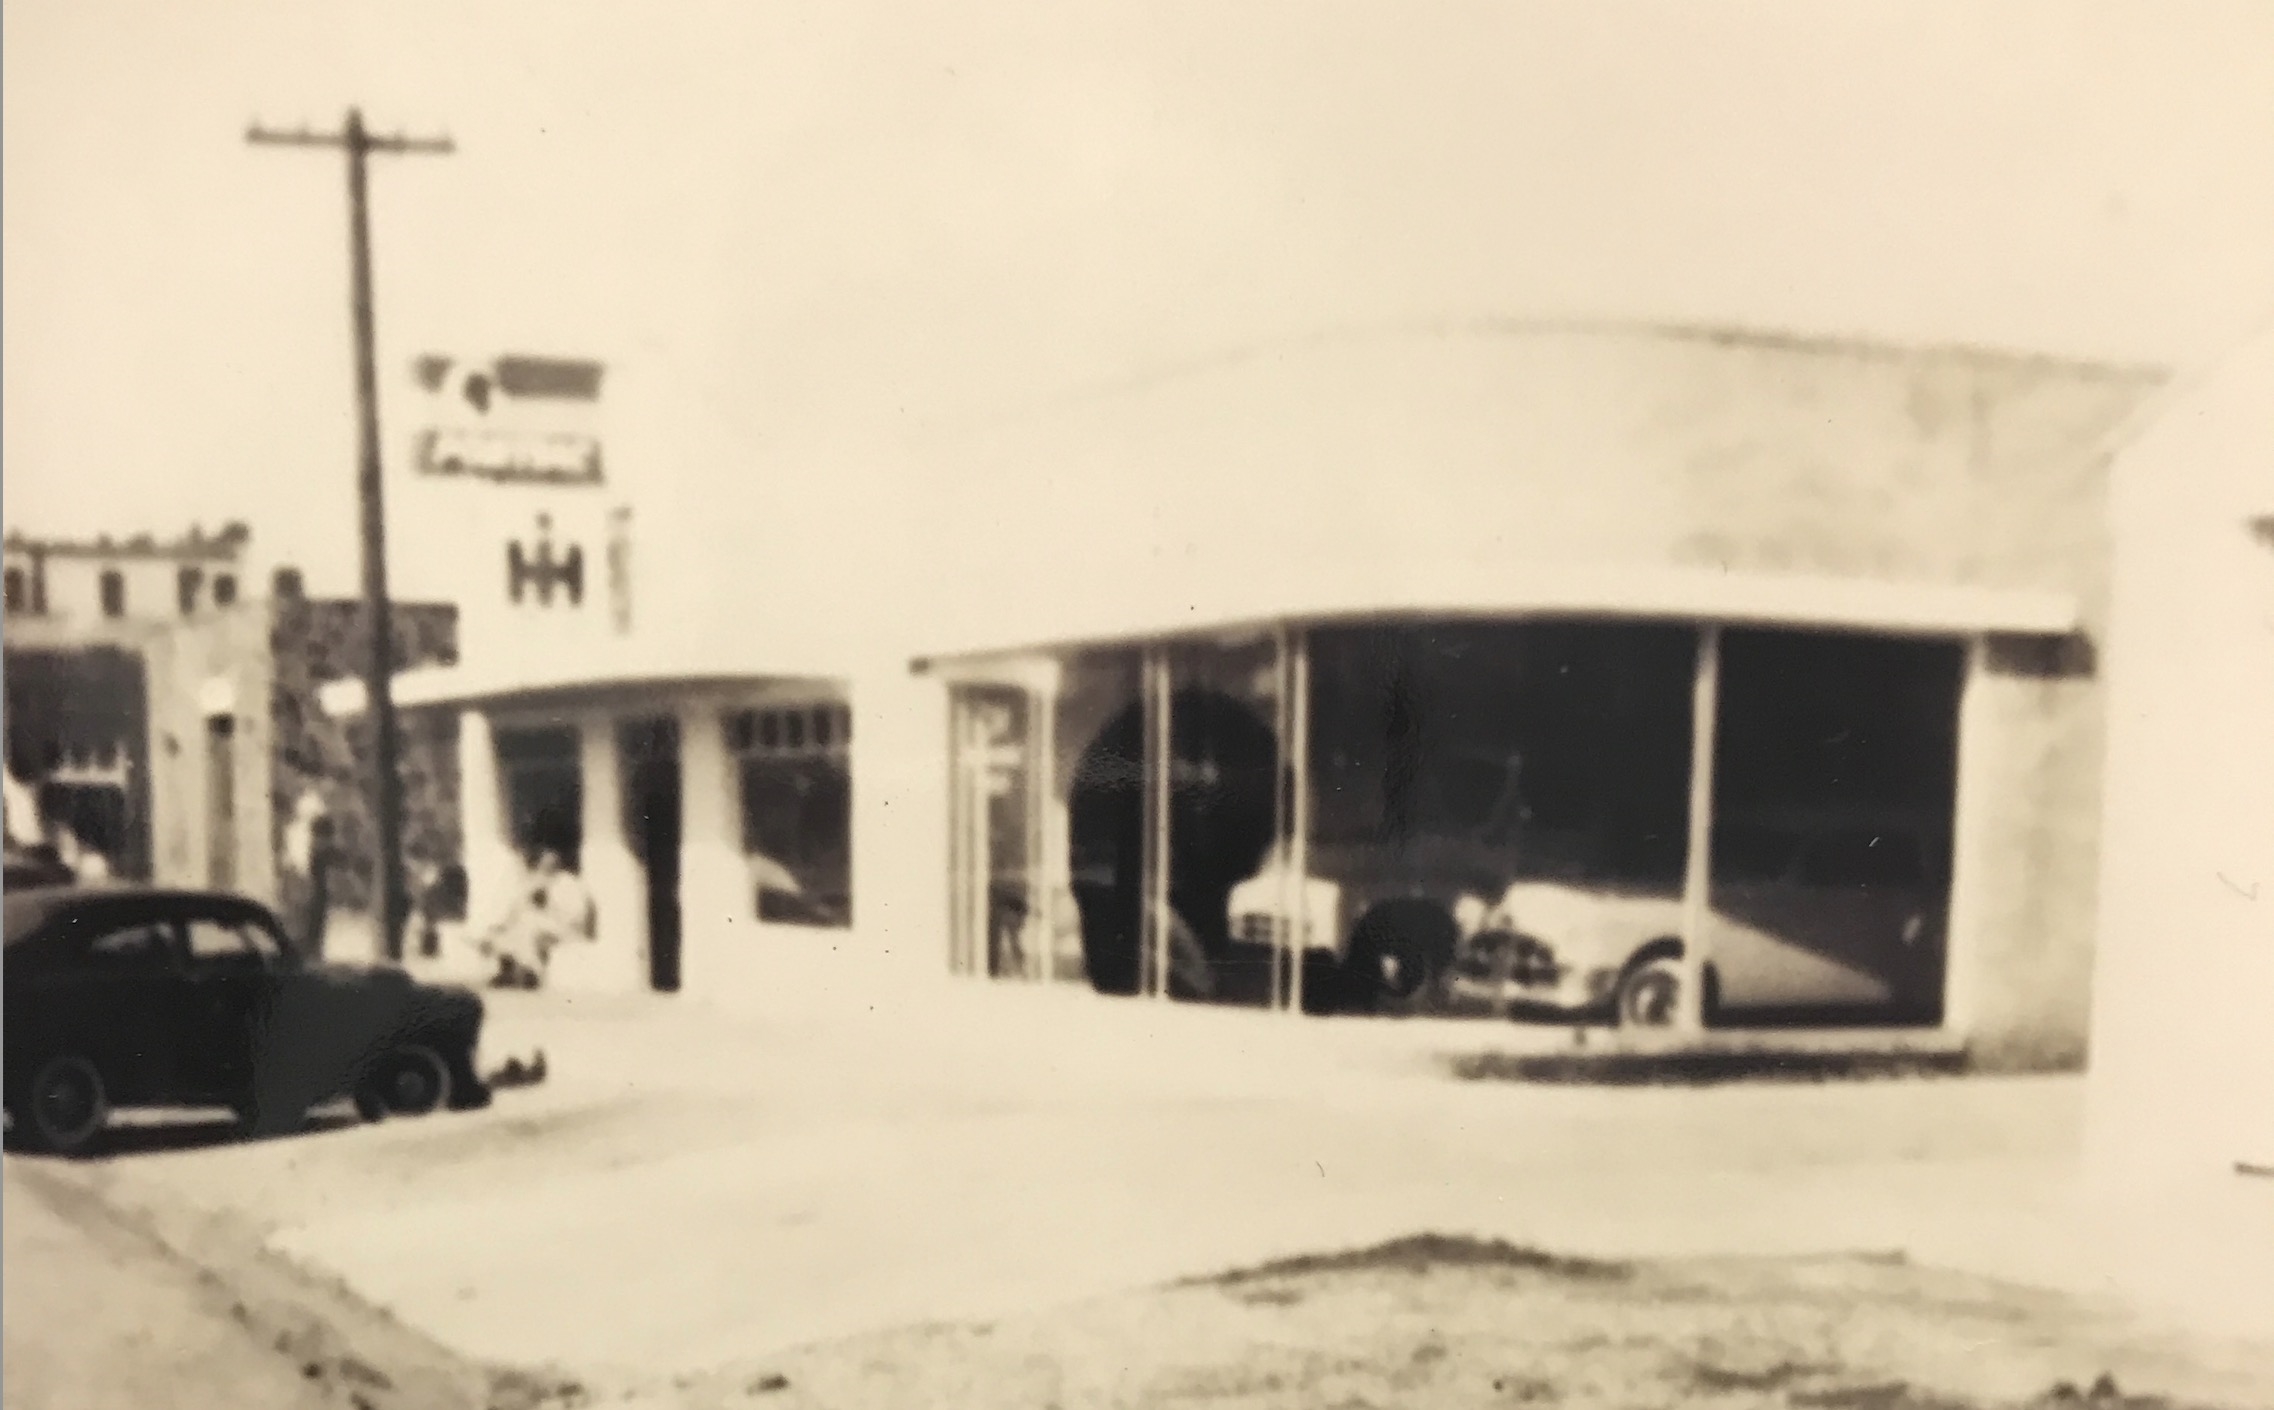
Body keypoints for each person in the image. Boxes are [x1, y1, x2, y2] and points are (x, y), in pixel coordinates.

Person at [477, 848, 596, 989]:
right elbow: (517, 907)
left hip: (561, 926)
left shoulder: (568, 883)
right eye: (543, 863)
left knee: (529, 926)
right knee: (512, 929)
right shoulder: (534, 881)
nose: (546, 867)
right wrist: (503, 924)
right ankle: (509, 972)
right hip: (532, 922)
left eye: (551, 864)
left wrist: (548, 907)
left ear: (558, 866)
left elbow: (574, 914)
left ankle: (531, 971)